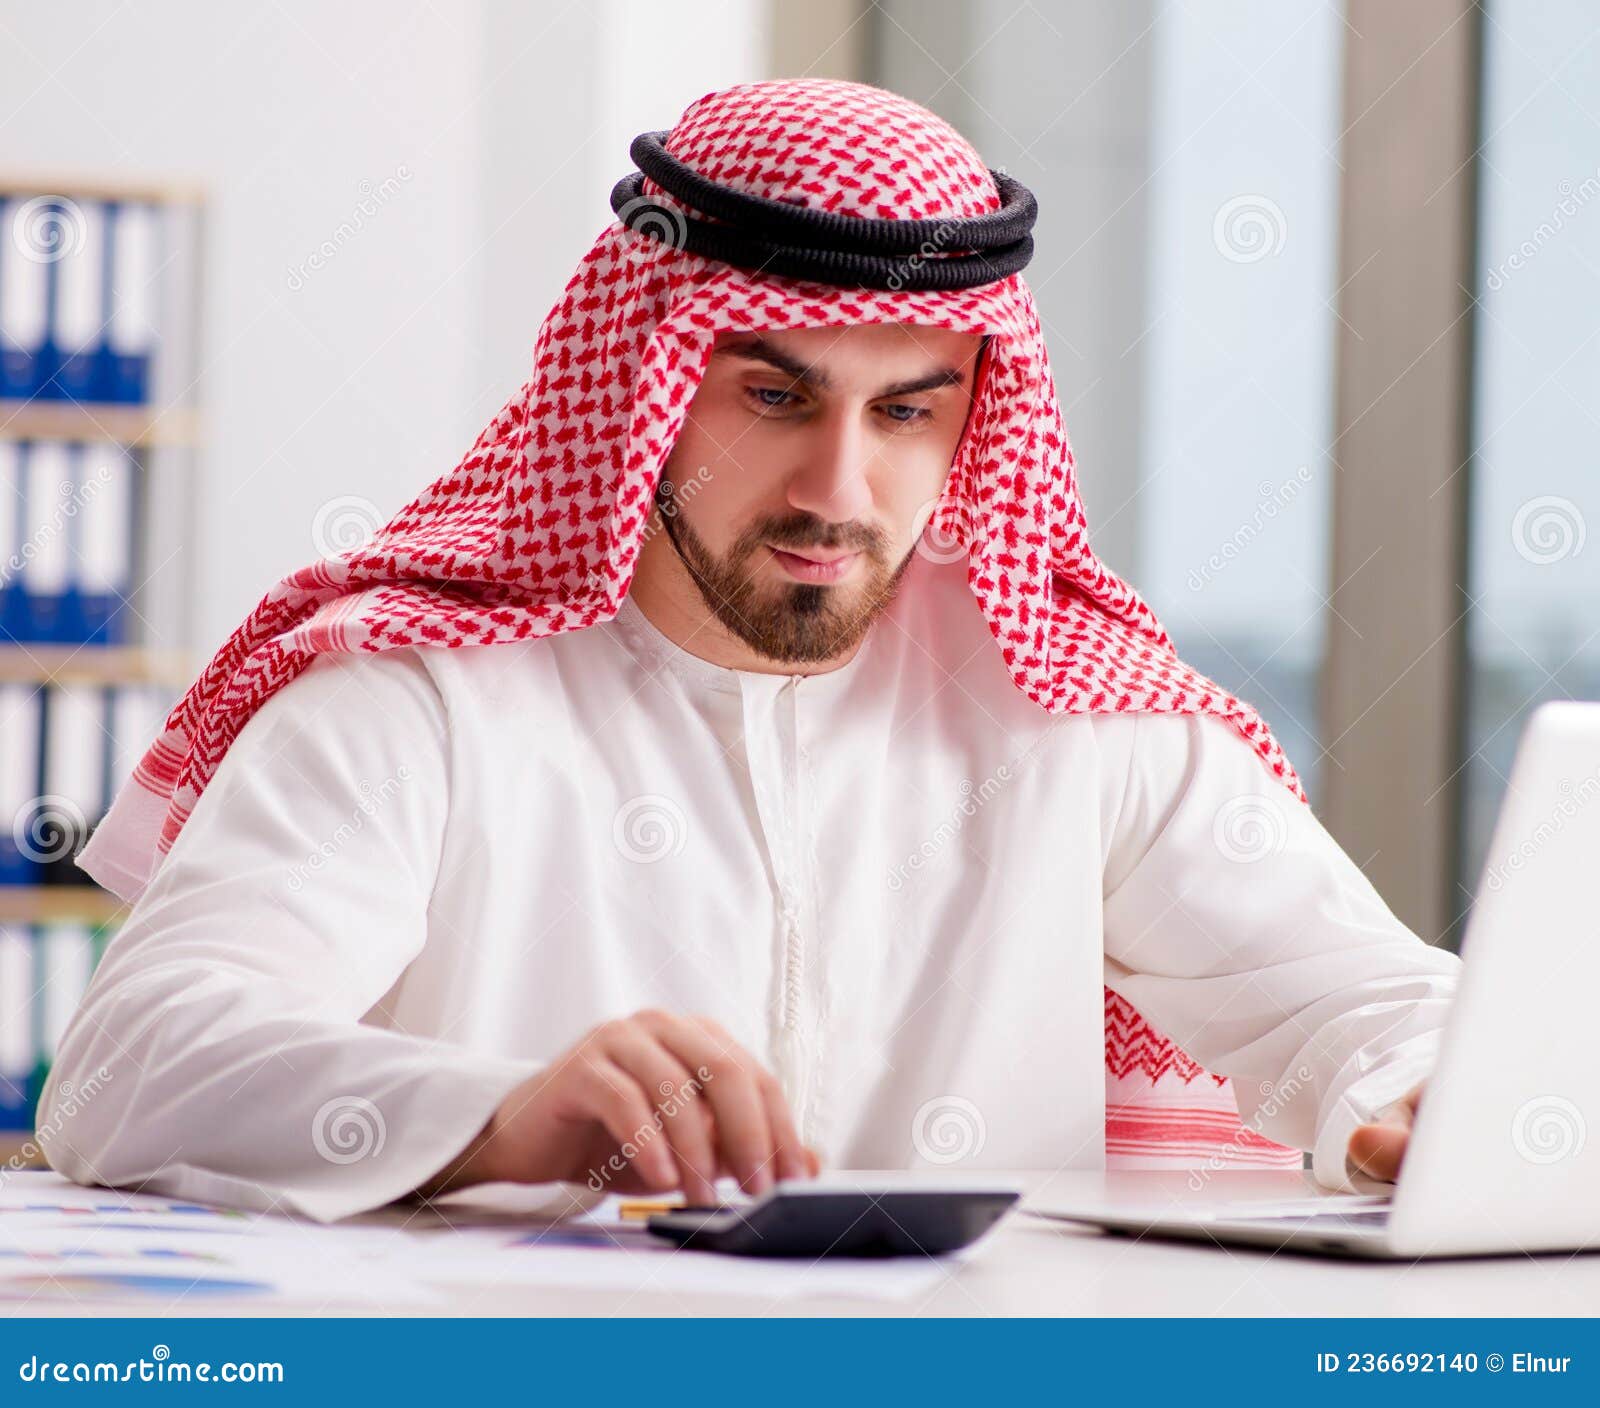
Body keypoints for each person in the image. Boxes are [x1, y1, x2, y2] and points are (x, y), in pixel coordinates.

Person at [41, 79, 1457, 1223]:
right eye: (775, 397)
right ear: (647, 386)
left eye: (907, 412)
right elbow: (128, 1065)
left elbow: (1381, 1004)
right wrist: (499, 1116)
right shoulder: (424, 701)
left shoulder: (1075, 717)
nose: (838, 489)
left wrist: (1416, 1099)